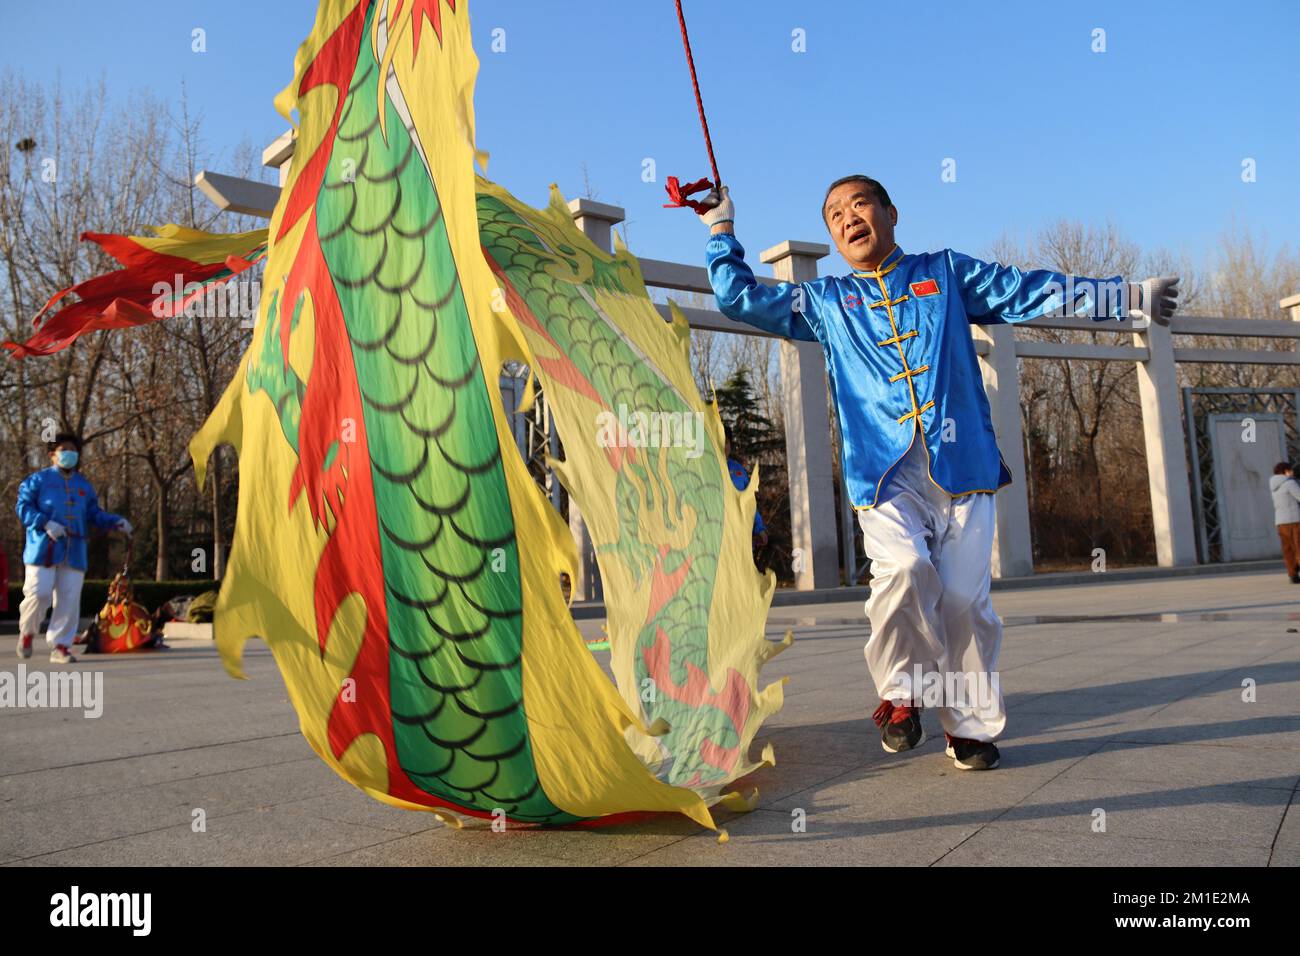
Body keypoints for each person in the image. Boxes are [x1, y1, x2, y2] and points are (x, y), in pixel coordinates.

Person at [699, 176, 1178, 771]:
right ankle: (901, 695)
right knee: (903, 568)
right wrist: (721, 228)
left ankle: (970, 729)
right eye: (834, 214)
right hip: (883, 475)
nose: (848, 218)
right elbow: (740, 299)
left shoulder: (946, 273)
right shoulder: (826, 303)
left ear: (891, 213)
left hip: (962, 467)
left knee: (963, 604)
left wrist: (1124, 297)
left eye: (860, 204)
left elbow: (1029, 290)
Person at [15, 433, 132, 663]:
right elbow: (23, 507)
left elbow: (93, 514)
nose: (69, 454)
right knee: (39, 593)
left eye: (73, 450)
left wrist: (115, 521)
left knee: (69, 598)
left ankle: (61, 645)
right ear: (52, 455)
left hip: (75, 550)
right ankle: (27, 632)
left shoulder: (84, 486)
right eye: (63, 449)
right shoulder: (37, 481)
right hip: (43, 550)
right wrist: (45, 523)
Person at [723, 422, 768, 549]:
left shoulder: (738, 469)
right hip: (718, 540)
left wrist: (759, 529)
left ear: (730, 445)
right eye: (720, 440)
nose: (723, 446)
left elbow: (749, 502)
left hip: (740, 539)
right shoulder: (706, 469)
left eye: (726, 442)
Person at [1270, 461, 1300, 583]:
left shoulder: (1273, 485)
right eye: (1290, 470)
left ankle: (1292, 574)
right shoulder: (1289, 483)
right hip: (1294, 520)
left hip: (1281, 522)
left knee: (1287, 549)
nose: (1292, 472)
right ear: (1285, 471)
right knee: (1298, 546)